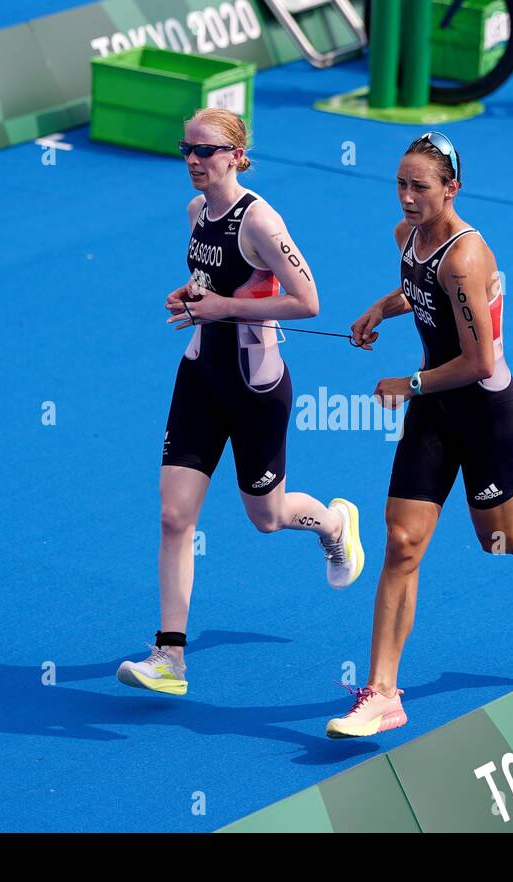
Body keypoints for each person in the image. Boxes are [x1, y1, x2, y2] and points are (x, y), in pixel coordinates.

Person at [326, 131, 513, 738]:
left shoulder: (466, 256)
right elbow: (420, 291)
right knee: (402, 543)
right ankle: (383, 693)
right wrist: (380, 308)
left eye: (419, 186)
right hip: (434, 410)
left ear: (452, 188)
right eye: (400, 183)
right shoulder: (408, 238)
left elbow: (477, 362)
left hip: (486, 414)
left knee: (497, 538)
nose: (406, 196)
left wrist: (408, 383)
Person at [117, 108, 365, 697]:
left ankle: (334, 522)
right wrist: (193, 297)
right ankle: (169, 656)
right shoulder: (196, 212)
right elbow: (214, 284)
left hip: (256, 388)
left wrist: (223, 308)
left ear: (235, 155)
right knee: (174, 516)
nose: (193, 162)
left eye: (205, 151)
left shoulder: (261, 222)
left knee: (266, 517)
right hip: (200, 376)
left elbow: (309, 302)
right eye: (186, 150)